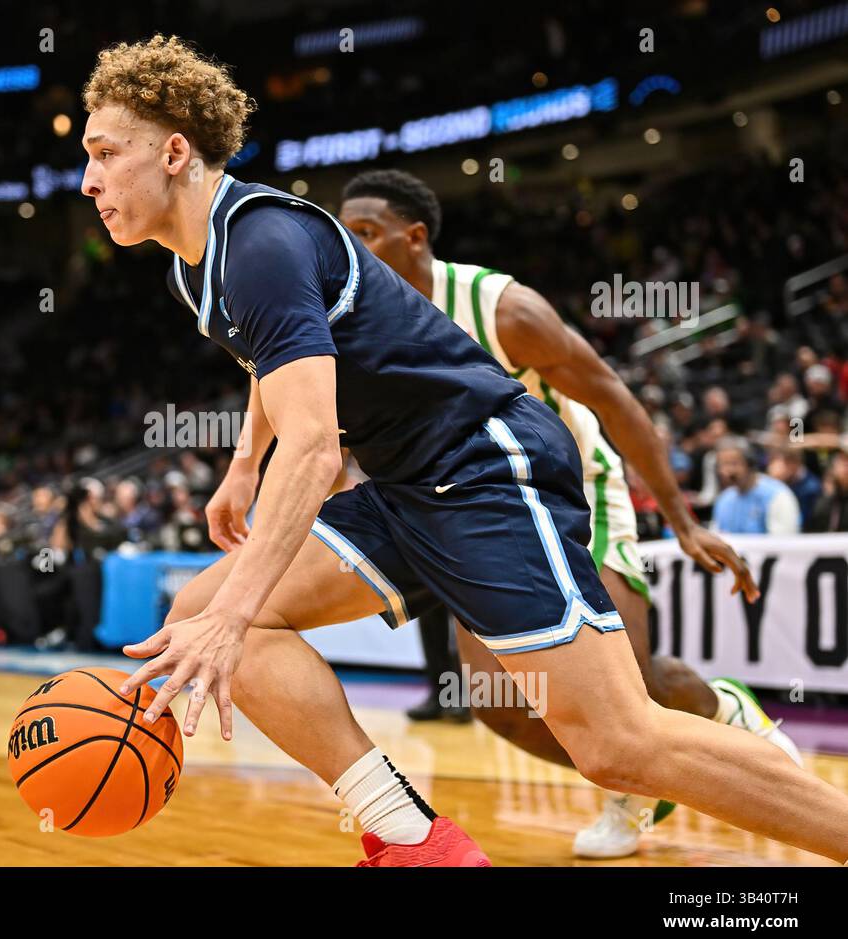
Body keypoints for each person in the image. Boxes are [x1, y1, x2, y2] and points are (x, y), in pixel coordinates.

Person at [80, 35, 848, 866]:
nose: (89, 180)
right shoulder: (193, 270)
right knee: (201, 613)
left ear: (175, 152)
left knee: (619, 743)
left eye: (104, 153)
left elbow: (311, 448)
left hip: (483, 465)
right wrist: (238, 467)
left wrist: (236, 610)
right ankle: (416, 842)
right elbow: (284, 370)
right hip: (409, 482)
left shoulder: (261, 241)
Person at [337, 168, 801, 857]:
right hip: (477, 511)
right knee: (496, 703)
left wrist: (681, 516)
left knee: (629, 690)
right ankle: (636, 786)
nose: (350, 249)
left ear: (415, 238)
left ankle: (720, 709)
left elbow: (611, 394)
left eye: (365, 234)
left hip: (575, 491)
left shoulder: (500, 307)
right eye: (343, 236)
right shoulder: (356, 326)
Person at [713, 438, 802, 535]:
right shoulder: (724, 499)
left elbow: (783, 542)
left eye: (733, 464)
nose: (727, 471)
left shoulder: (777, 496)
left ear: (750, 463)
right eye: (722, 465)